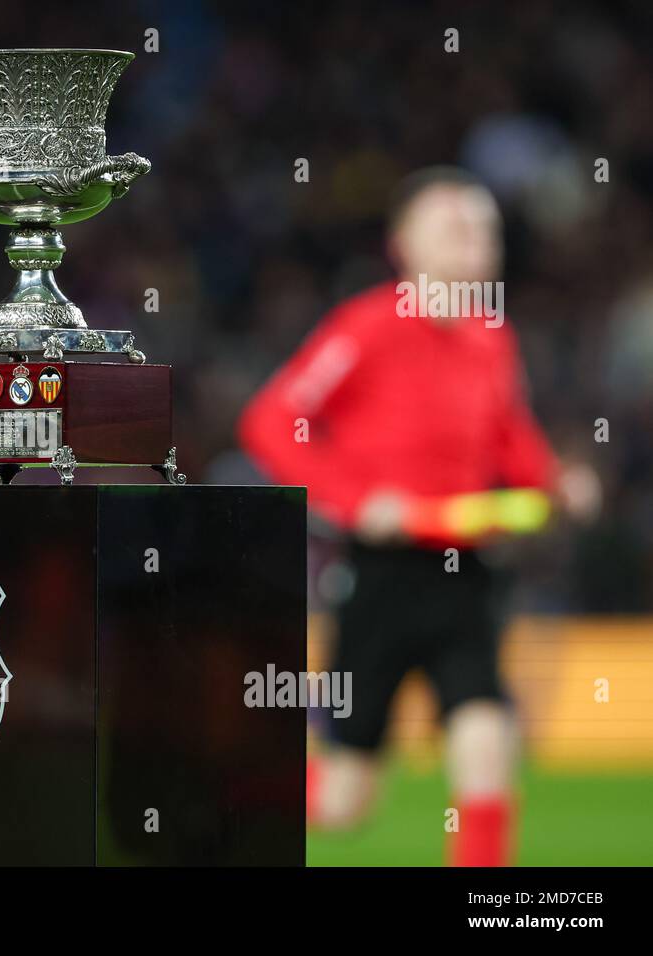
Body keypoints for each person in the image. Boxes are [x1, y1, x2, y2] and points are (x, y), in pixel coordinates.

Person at [238, 167, 600, 866]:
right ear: (404, 243)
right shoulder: (365, 327)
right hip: (380, 578)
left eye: (485, 226)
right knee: (345, 801)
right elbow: (273, 420)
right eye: (456, 224)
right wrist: (354, 500)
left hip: (467, 575)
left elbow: (509, 440)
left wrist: (559, 484)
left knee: (487, 738)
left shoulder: (492, 335)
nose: (476, 238)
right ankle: (228, 795)